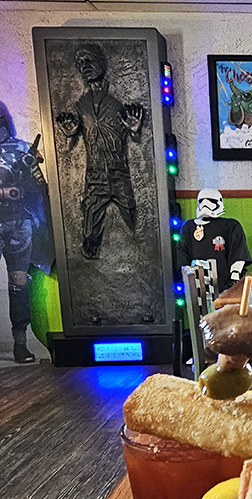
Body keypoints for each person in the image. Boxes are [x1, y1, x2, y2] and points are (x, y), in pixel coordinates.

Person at [55, 43, 144, 259]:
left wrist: (134, 131)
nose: (84, 66)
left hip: (119, 172)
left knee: (135, 223)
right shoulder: (81, 104)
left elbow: (135, 138)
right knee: (89, 234)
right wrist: (71, 133)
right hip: (94, 177)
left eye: (89, 60)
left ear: (101, 62)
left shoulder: (117, 102)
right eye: (80, 63)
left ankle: (138, 257)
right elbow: (69, 147)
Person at [0, 102, 47, 363]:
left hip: (19, 223)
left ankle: (20, 343)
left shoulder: (20, 148)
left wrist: (32, 165)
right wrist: (6, 192)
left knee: (20, 285)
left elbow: (37, 187)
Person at [176, 188, 252, 293]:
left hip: (225, 284)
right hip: (198, 284)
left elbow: (238, 252)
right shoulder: (189, 227)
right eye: (202, 201)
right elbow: (182, 254)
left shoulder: (230, 226)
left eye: (210, 201)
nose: (205, 204)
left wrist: (235, 275)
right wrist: (187, 276)